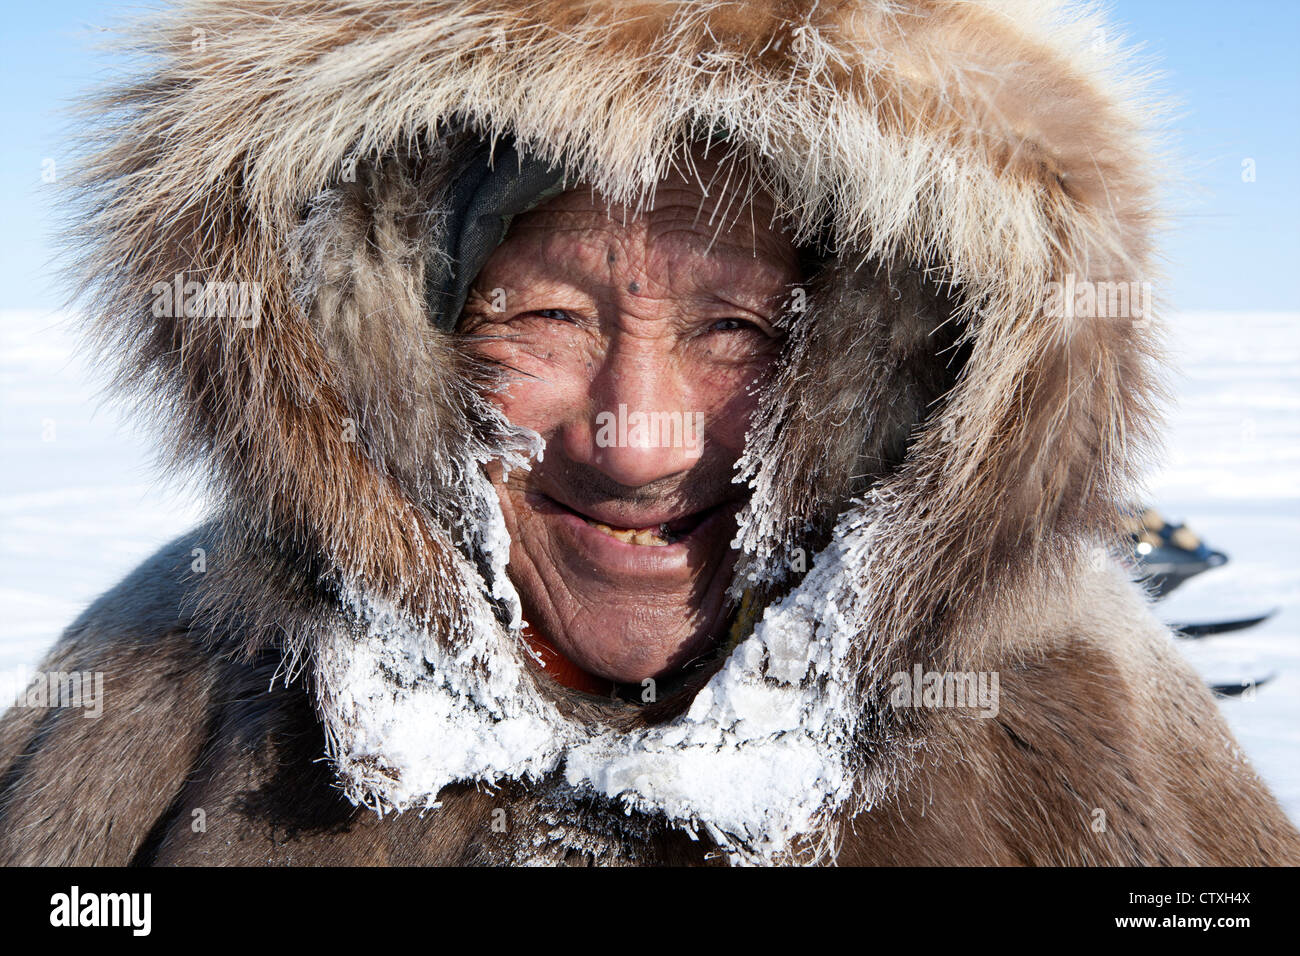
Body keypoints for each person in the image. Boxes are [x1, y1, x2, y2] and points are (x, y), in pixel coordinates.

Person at [2, 0, 1296, 866]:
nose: (636, 443)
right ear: (385, 342)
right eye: (548, 315)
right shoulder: (151, 690)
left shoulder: (1087, 707)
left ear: (892, 370)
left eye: (738, 329)